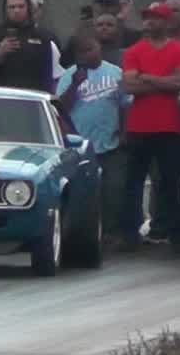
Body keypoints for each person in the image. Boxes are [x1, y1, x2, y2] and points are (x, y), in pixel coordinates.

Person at [119, 2, 180, 251]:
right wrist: (165, 81)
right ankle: (129, 233)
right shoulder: (133, 51)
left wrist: (148, 78)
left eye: (155, 18)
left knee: (170, 181)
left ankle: (177, 234)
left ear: (166, 21)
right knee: (133, 182)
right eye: (147, 18)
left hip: (170, 126)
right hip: (139, 126)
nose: (150, 23)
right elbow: (130, 86)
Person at [54, 31, 129, 245]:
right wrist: (75, 84)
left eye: (91, 49)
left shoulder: (115, 73)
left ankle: (111, 231)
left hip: (111, 143)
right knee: (87, 192)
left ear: (99, 48)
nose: (88, 54)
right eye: (82, 51)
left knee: (114, 188)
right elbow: (62, 109)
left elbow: (125, 105)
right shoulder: (69, 76)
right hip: (82, 146)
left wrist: (124, 133)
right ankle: (86, 233)